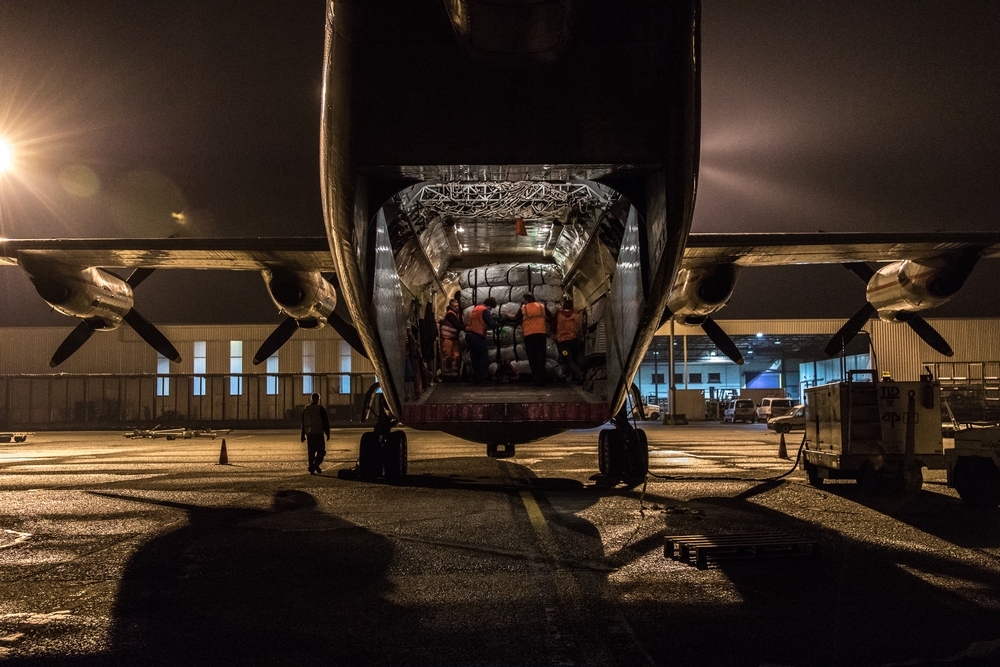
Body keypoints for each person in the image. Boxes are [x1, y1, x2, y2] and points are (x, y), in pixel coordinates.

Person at [511, 292, 549, 386]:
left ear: (526, 300)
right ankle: (542, 379)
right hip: (541, 334)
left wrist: (509, 315)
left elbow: (516, 317)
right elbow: (550, 316)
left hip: (529, 335)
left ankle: (536, 378)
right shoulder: (541, 306)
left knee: (532, 357)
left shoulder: (524, 308)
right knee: (541, 357)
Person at [466, 296, 498, 385]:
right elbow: (490, 323)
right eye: (491, 307)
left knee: (475, 358)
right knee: (484, 358)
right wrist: (498, 324)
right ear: (489, 305)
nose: (491, 309)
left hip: (469, 335)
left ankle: (475, 378)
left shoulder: (476, 309)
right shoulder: (485, 310)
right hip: (477, 336)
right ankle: (482, 379)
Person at [552, 298, 583, 382]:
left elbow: (553, 326)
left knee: (568, 359)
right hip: (573, 341)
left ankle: (579, 374)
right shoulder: (575, 315)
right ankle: (575, 376)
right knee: (574, 358)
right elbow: (579, 327)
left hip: (563, 342)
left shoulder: (558, 314)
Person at [301, 392, 330, 474]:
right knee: (321, 452)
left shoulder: (306, 409)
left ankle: (312, 468)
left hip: (310, 434)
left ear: (311, 398)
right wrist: (327, 433)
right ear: (318, 399)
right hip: (318, 433)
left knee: (311, 453)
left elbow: (303, 422)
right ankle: (315, 465)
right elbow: (325, 422)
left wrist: (302, 435)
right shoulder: (320, 408)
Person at [439, 299, 465, 381]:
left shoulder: (455, 314)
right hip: (447, 338)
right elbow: (457, 324)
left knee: (456, 356)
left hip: (453, 338)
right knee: (448, 356)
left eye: (457, 306)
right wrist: (467, 328)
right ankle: (447, 374)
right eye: (455, 306)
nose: (457, 308)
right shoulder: (450, 314)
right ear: (450, 306)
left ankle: (454, 373)